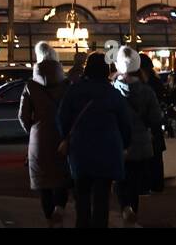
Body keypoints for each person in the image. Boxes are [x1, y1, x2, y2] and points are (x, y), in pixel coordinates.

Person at [56, 51, 132, 229]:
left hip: (80, 150)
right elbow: (125, 123)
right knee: (102, 198)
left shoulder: (73, 91)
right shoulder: (112, 94)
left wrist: (65, 136)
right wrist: (125, 144)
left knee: (81, 196)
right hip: (108, 151)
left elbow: (61, 118)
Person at [18, 56, 70, 226]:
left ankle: (49, 218)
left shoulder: (31, 87)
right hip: (63, 137)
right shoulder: (67, 87)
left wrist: (32, 129)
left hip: (39, 137)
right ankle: (60, 208)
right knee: (62, 176)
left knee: (44, 182)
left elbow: (23, 116)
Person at [113, 46, 161, 224]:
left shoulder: (114, 90)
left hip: (119, 143)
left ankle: (125, 207)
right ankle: (133, 209)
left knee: (120, 178)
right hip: (141, 142)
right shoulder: (147, 91)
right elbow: (156, 118)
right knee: (135, 181)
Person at [139, 53, 167, 192]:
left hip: (148, 125)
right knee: (156, 156)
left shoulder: (143, 86)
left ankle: (149, 184)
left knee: (148, 157)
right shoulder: (157, 82)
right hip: (155, 124)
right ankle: (157, 184)